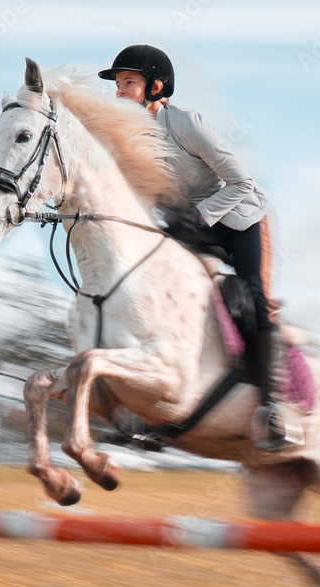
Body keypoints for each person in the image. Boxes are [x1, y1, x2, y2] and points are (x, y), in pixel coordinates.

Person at [98, 44, 299, 450]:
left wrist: (201, 217)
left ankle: (272, 408)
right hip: (188, 226)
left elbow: (244, 184)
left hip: (239, 220)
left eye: (128, 83)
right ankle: (153, 409)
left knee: (253, 297)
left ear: (156, 87)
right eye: (118, 85)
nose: (119, 91)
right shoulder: (126, 138)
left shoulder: (187, 124)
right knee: (156, 295)